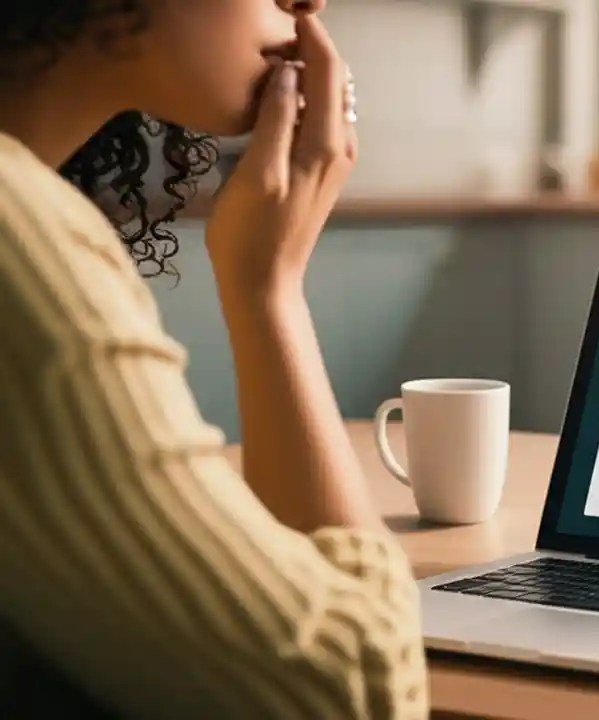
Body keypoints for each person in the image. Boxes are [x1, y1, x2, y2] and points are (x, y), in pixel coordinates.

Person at [0, 1, 428, 718]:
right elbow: (354, 693)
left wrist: (263, 279)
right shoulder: (17, 241)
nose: (308, 3)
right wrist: (271, 295)